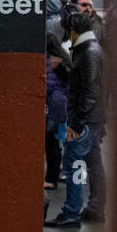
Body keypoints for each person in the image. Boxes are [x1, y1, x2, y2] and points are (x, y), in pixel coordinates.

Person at [46, 12, 105, 227]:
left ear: (73, 31)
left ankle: (72, 211)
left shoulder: (88, 53)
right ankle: (95, 207)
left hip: (85, 121)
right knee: (93, 164)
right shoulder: (92, 49)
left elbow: (89, 91)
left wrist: (77, 124)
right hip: (93, 119)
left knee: (75, 164)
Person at [45, 32, 71, 189]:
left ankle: (51, 179)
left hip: (51, 106)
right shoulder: (63, 59)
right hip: (59, 106)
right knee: (53, 142)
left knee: (50, 143)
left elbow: (47, 84)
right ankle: (53, 176)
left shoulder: (50, 61)